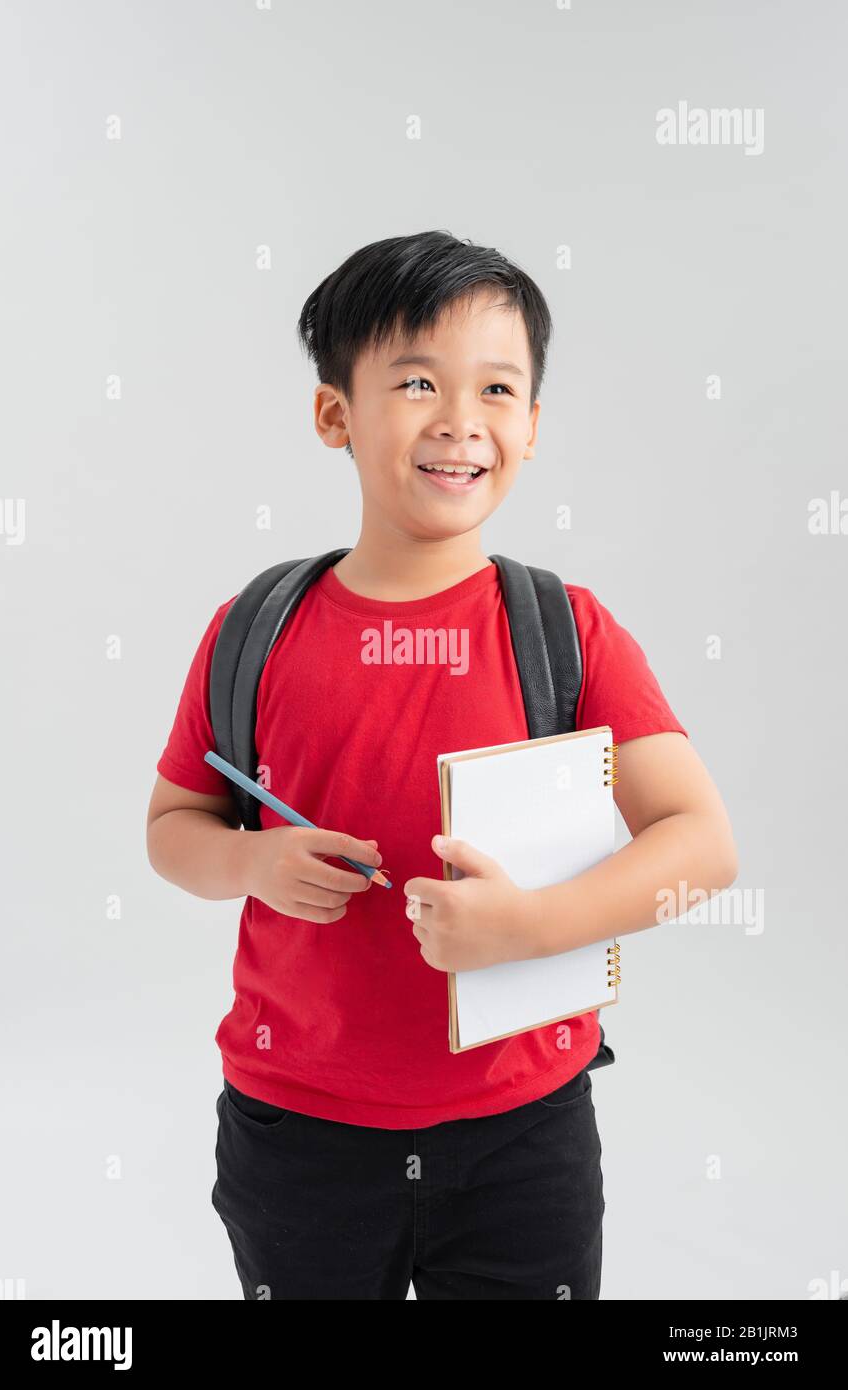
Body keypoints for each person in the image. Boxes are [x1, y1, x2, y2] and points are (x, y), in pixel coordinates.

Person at [146, 230, 738, 1300]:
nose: (462, 420)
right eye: (417, 381)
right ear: (335, 413)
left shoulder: (567, 631)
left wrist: (531, 928)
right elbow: (173, 828)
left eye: (498, 387)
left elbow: (701, 842)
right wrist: (255, 863)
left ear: (533, 425)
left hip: (524, 1134)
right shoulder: (255, 631)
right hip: (297, 1137)